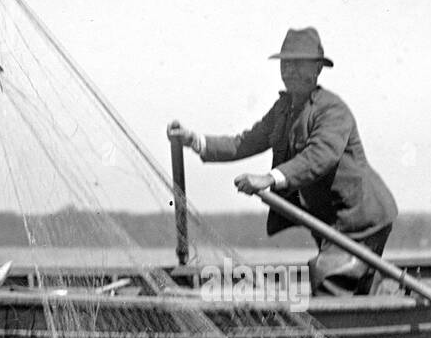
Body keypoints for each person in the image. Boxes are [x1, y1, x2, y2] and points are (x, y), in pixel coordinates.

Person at [168, 27, 398, 295]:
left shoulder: (332, 110)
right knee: (344, 280)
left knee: (329, 277)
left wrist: (269, 178)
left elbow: (320, 156)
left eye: (299, 64)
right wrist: (194, 140)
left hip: (362, 219)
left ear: (317, 70)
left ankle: (377, 298)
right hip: (329, 221)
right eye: (286, 64)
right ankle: (376, 292)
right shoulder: (283, 109)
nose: (291, 71)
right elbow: (245, 141)